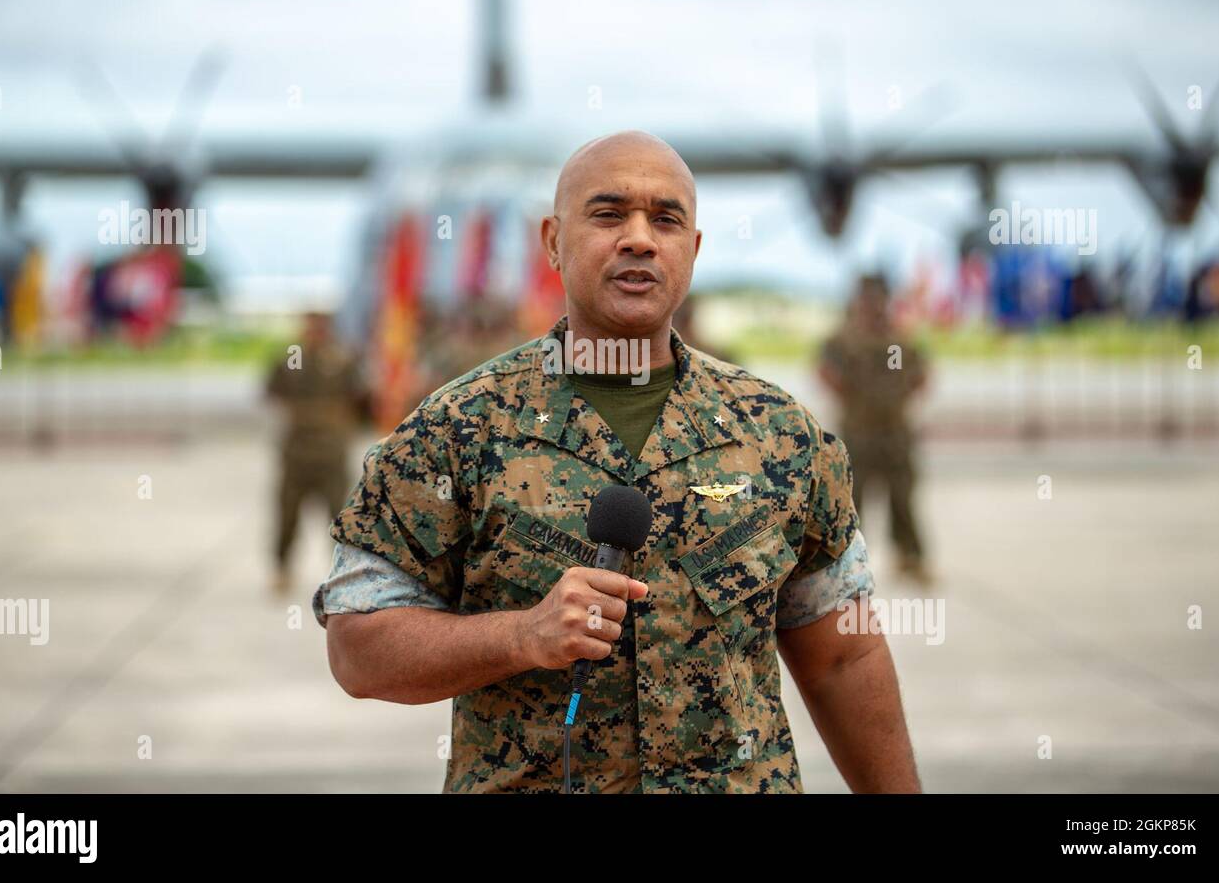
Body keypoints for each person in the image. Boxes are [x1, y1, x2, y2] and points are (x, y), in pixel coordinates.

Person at [316, 132, 920, 793]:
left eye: (666, 219)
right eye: (608, 215)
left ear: (692, 250)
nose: (639, 238)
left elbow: (844, 656)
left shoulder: (783, 436)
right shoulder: (453, 432)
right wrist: (523, 637)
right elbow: (358, 649)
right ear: (552, 241)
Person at [819, 275, 932, 584]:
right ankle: (849, 563)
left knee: (903, 496)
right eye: (867, 298)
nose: (873, 305)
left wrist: (894, 402)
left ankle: (910, 556)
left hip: (895, 433)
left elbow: (922, 376)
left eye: (878, 298)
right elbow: (826, 373)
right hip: (857, 433)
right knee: (852, 501)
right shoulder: (843, 340)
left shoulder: (901, 340)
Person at [266, 312, 367, 595]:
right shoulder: (290, 359)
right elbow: (271, 390)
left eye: (320, 326)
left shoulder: (344, 360)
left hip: (331, 451)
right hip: (297, 451)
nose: (315, 332)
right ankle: (281, 568)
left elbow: (361, 397)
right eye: (311, 325)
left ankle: (342, 574)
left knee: (339, 517)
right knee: (287, 513)